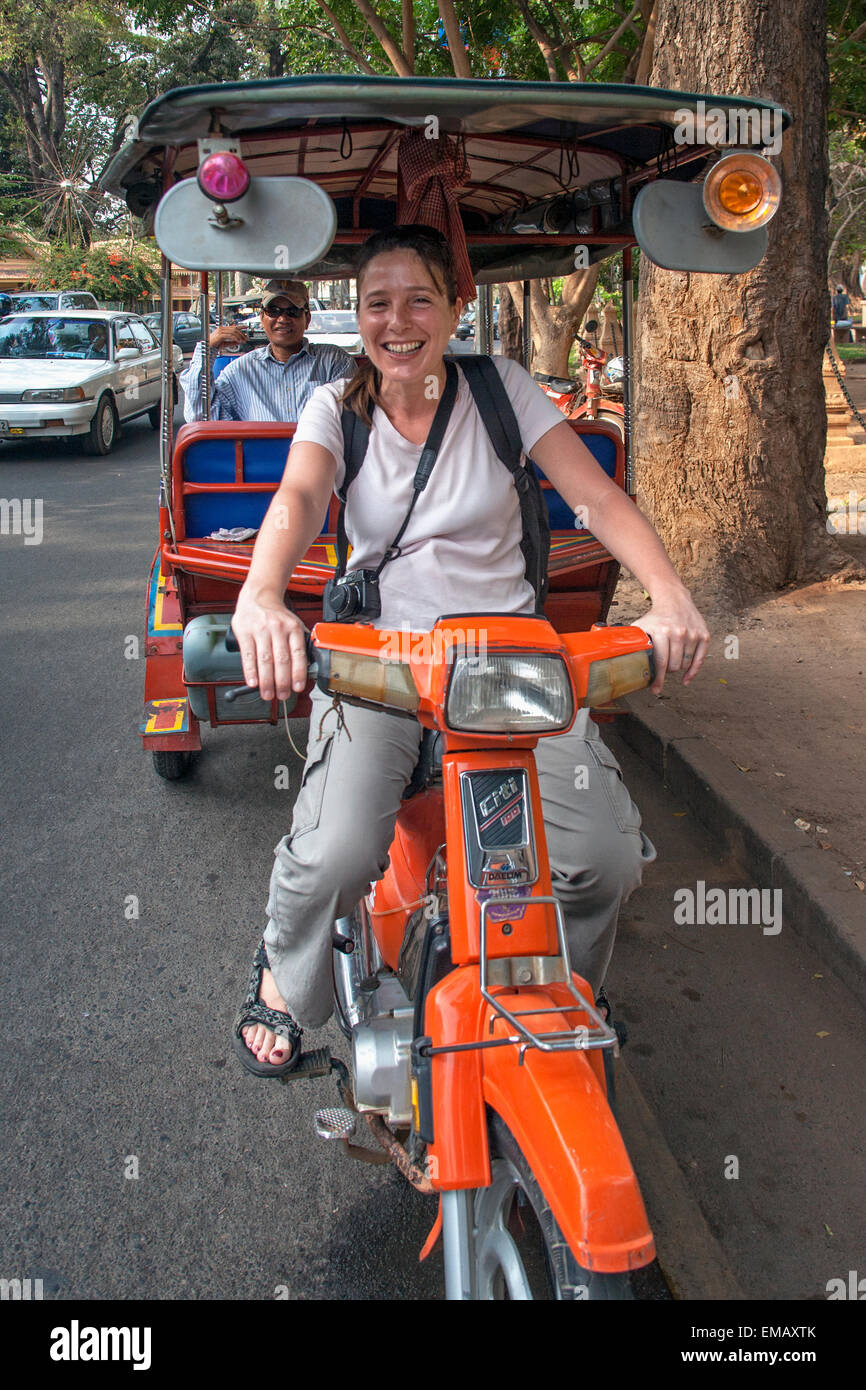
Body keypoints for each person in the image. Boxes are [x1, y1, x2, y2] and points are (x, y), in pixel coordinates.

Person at [229, 224, 710, 1076]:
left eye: (420, 298)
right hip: (384, 664)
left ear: (457, 307)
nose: (398, 320)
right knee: (338, 851)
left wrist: (669, 595)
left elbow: (594, 496)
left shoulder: (504, 389)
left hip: (511, 668)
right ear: (358, 314)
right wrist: (261, 594)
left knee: (600, 860)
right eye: (378, 302)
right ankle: (283, 979)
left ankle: (570, 990)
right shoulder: (335, 406)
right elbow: (299, 498)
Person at [178, 278, 355, 423]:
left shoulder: (334, 362)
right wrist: (207, 348)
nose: (283, 319)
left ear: (307, 318)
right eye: (274, 311)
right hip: (258, 465)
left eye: (292, 311)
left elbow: (351, 422)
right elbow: (199, 417)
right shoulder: (240, 370)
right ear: (262, 317)